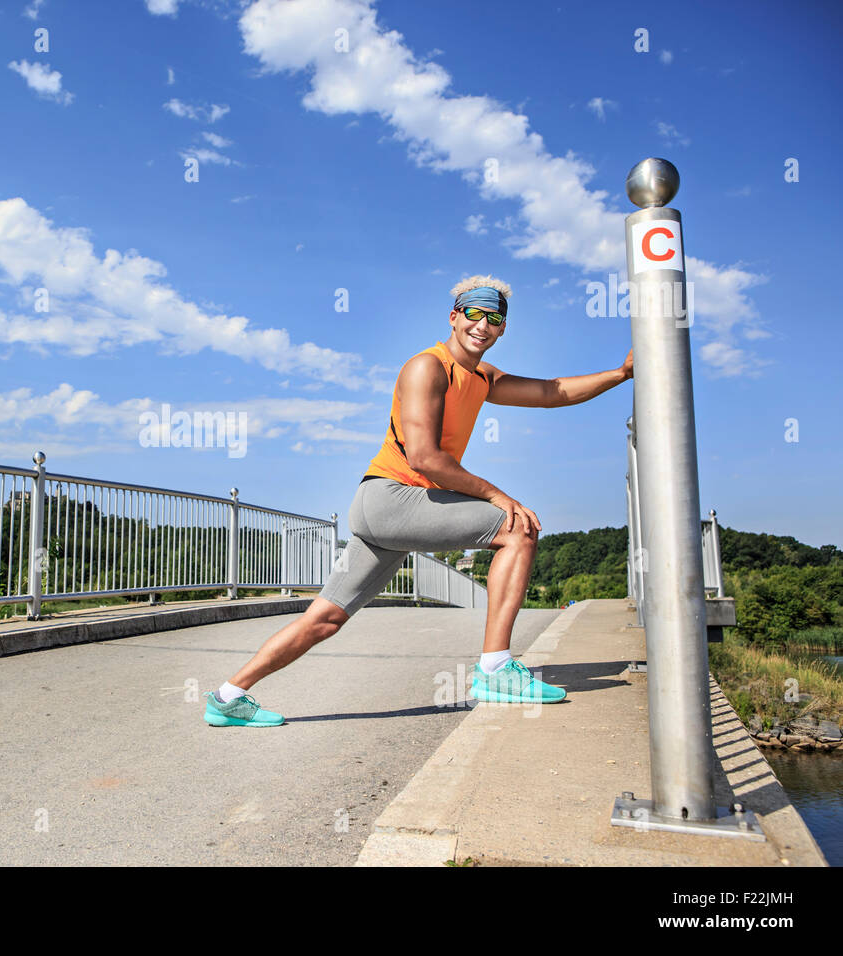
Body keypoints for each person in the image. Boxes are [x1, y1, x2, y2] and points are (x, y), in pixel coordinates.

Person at [204, 275, 634, 727]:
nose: (481, 325)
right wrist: (497, 495)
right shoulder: (427, 368)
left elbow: (552, 392)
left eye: (493, 318)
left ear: (503, 329)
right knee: (516, 528)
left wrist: (620, 374)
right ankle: (494, 669)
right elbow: (424, 458)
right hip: (391, 498)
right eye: (473, 313)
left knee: (325, 619)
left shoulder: (482, 377)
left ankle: (227, 696)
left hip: (393, 512)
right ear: (454, 317)